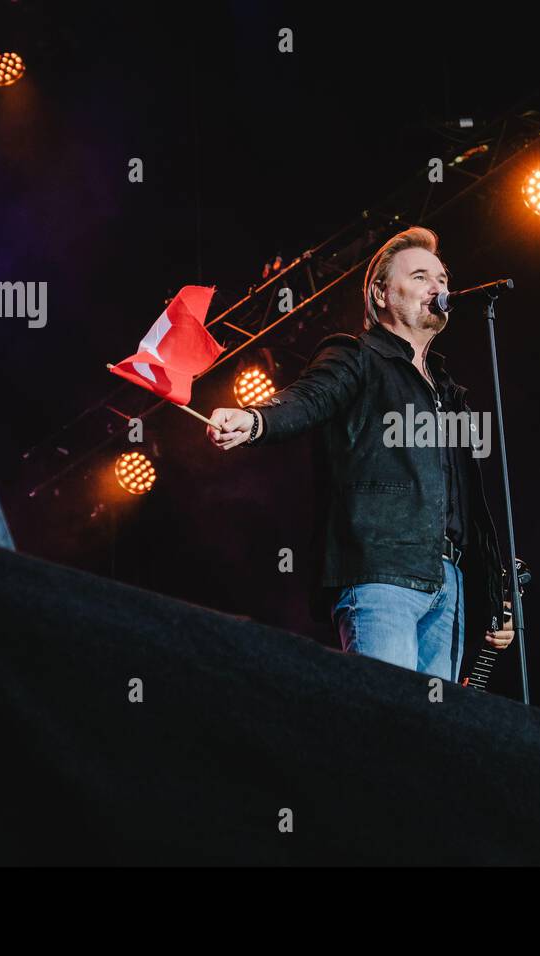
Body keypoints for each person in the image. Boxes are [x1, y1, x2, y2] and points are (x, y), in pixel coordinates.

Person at [208, 226, 513, 681]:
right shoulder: (356, 356)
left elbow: (467, 503)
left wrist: (492, 588)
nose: (440, 287)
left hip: (448, 582)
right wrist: (257, 421)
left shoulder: (450, 394)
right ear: (381, 293)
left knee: (436, 742)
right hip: (382, 571)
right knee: (387, 724)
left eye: (443, 278)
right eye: (421, 277)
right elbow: (311, 398)